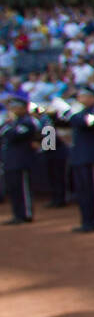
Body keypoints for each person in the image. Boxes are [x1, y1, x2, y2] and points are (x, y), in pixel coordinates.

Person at [66, 85, 94, 232]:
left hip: (91, 156)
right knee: (82, 191)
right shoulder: (80, 112)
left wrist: (70, 112)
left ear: (92, 98)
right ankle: (86, 220)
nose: (80, 99)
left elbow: (84, 122)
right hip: (79, 156)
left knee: (92, 191)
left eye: (84, 96)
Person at [1, 95, 38, 224]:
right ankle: (17, 214)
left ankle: (26, 214)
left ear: (23, 108)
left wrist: (6, 128)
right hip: (10, 160)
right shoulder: (12, 123)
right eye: (12, 107)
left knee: (23, 189)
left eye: (16, 107)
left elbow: (13, 135)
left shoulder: (27, 122)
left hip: (22, 160)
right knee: (13, 189)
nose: (13, 110)